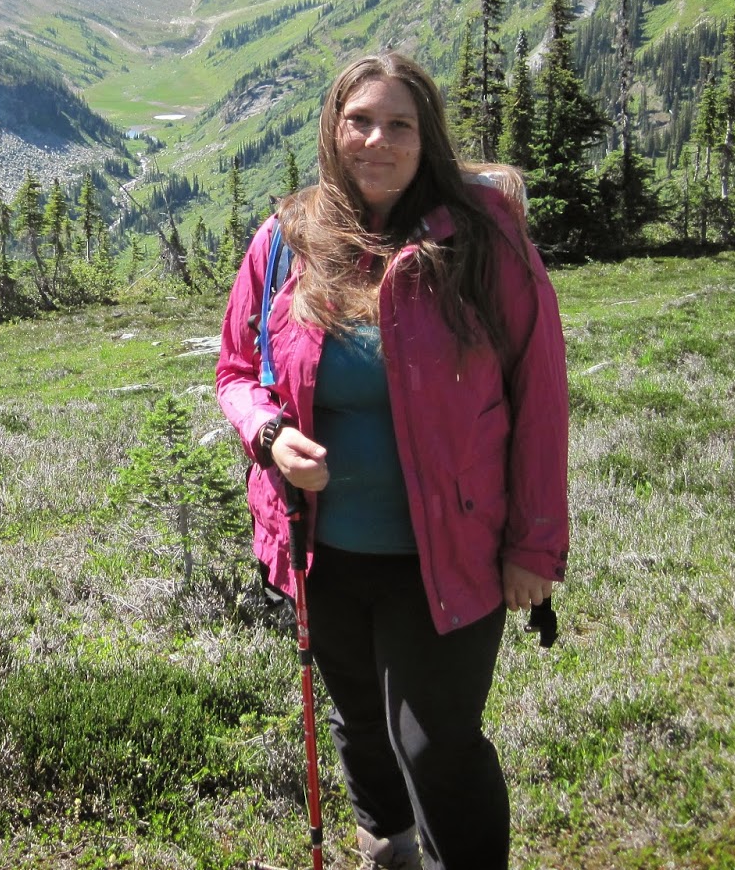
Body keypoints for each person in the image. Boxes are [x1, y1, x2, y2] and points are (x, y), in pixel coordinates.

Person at [216, 52, 569, 870]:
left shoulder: (482, 240)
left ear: (426, 136)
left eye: (399, 124)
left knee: (437, 744)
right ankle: (387, 849)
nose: (377, 140)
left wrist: (535, 545)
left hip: (446, 548)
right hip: (322, 549)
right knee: (359, 725)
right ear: (333, 131)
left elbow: (540, 394)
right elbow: (237, 372)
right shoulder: (286, 241)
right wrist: (268, 434)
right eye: (360, 121)